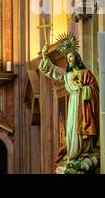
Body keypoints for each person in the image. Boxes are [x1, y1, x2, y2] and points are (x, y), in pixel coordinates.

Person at [37, 41, 100, 173]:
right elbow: (52, 70)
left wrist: (83, 89)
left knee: (80, 128)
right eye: (68, 57)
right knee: (71, 128)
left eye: (71, 57)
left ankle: (83, 151)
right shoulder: (67, 74)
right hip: (73, 103)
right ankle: (73, 153)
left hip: (83, 104)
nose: (69, 59)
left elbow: (94, 88)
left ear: (77, 58)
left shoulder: (86, 73)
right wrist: (44, 55)